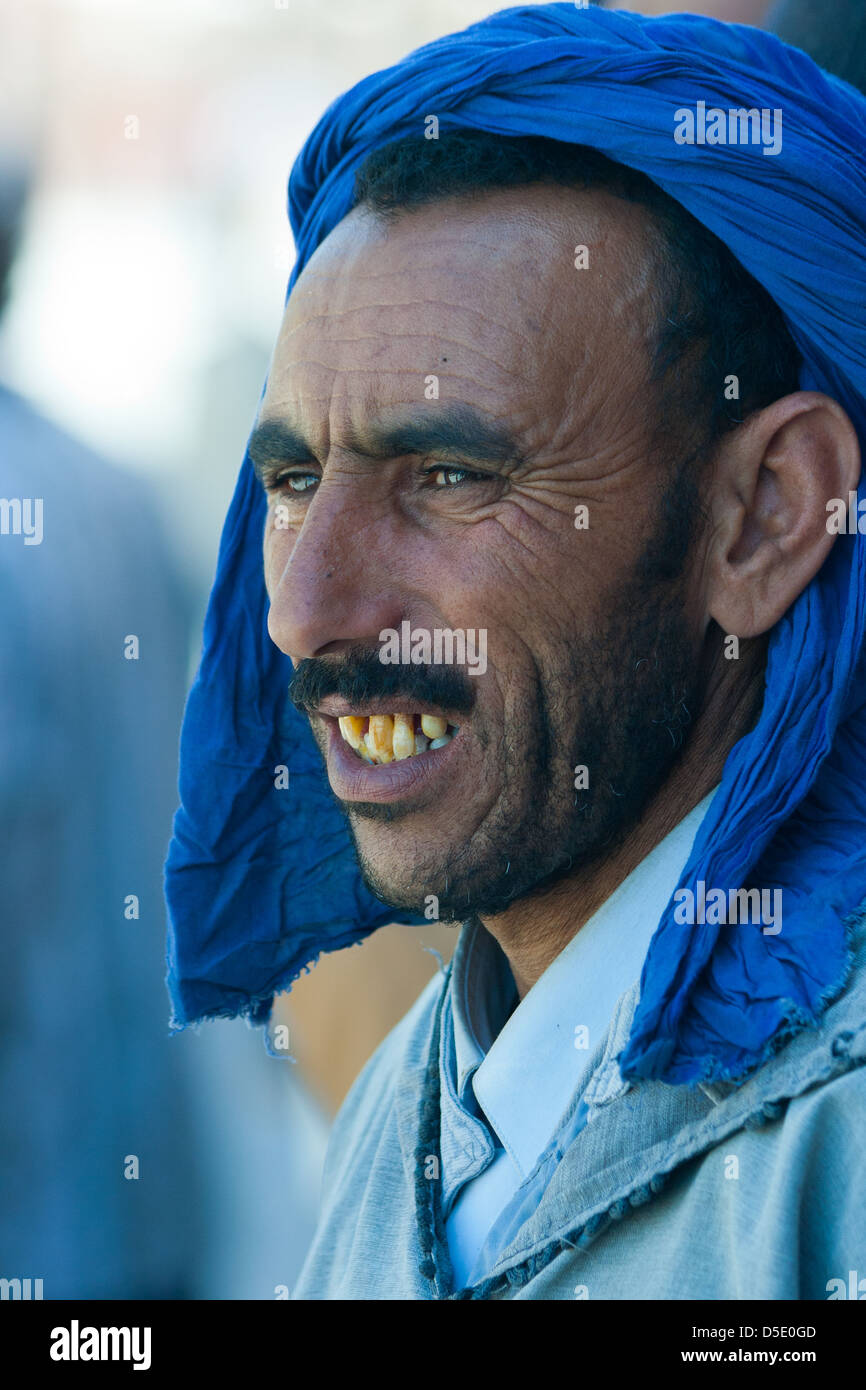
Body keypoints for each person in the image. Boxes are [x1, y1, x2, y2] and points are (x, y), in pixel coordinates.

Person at [166, 5, 866, 1299]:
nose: (303, 613)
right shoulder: (413, 1101)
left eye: (447, 474)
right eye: (294, 480)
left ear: (764, 515)